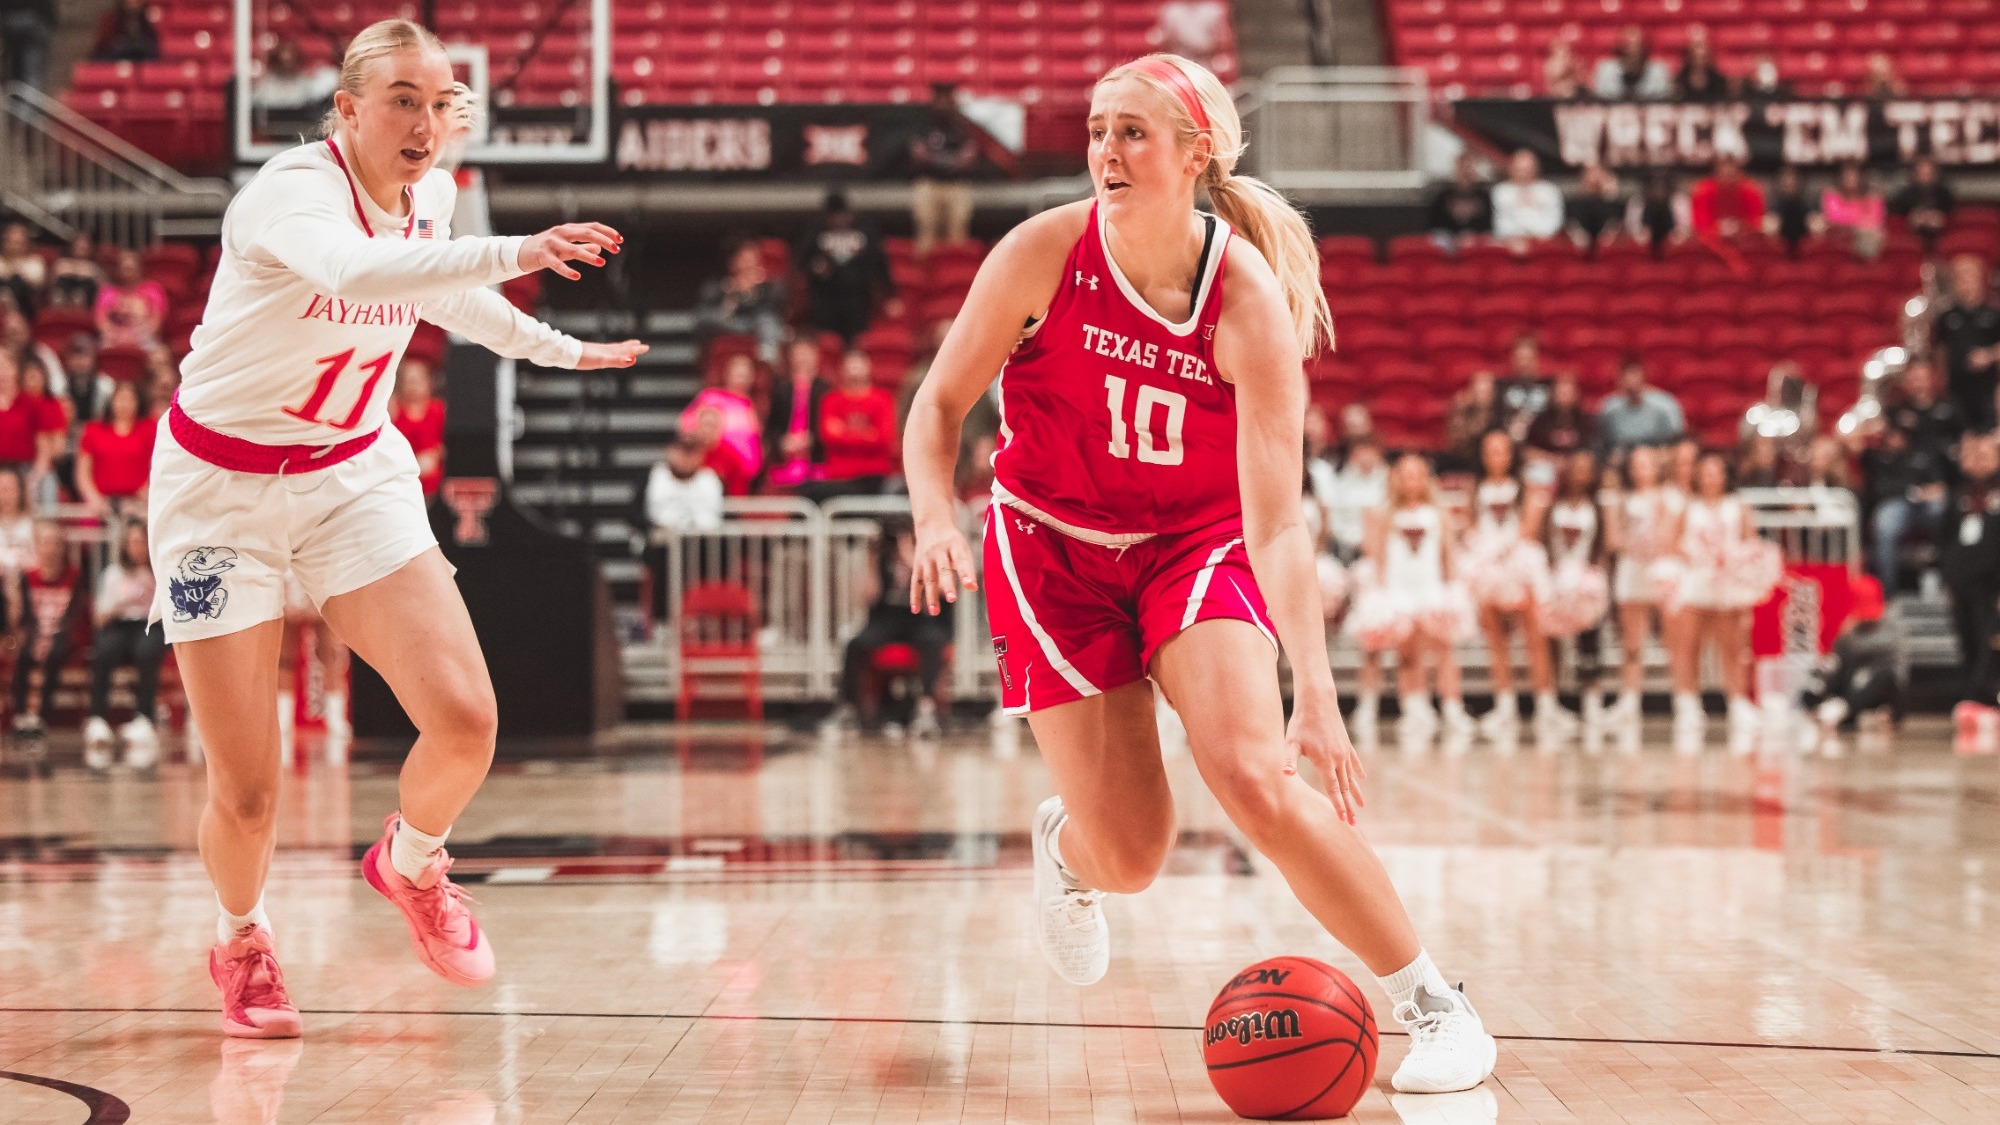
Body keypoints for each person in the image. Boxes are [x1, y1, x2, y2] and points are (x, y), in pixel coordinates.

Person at [899, 53, 1496, 1094]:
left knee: (1254, 776)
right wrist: (931, 519)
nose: (1105, 151)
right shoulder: (1042, 251)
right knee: (1131, 855)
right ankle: (1069, 847)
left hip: (1193, 542)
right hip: (1049, 550)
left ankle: (1435, 1006)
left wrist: (1315, 693)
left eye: (1131, 131)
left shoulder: (1247, 299)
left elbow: (1274, 528)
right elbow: (937, 407)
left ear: (1195, 153)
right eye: (1096, 129)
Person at [151, 17, 644, 1040]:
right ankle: (240, 937)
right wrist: (517, 249)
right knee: (247, 791)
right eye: (402, 100)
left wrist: (563, 352)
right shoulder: (291, 192)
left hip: (349, 476)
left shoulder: (440, 198)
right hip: (219, 491)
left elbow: (452, 294)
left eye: (439, 103)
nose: (425, 123)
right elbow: (356, 274)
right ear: (348, 108)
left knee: (467, 720)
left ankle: (411, 864)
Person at [1350, 454, 1476, 741]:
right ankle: (1413, 707)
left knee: (1444, 651)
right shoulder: (1385, 514)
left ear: (1425, 479)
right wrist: (1379, 592)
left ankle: (1452, 707)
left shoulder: (1438, 512)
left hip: (1430, 589)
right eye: (1405, 475)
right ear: (1396, 478)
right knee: (1406, 653)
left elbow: (1447, 555)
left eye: (1417, 474)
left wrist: (1452, 588)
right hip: (1398, 591)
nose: (1411, 481)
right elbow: (1378, 556)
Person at [1663, 451, 1781, 749]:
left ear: (1725, 476)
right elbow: (1673, 544)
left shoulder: (1737, 507)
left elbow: (1751, 543)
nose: (1710, 477)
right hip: (1696, 582)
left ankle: (1738, 703)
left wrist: (1736, 564)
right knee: (1689, 646)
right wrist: (1694, 557)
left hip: (1727, 584)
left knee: (1732, 647)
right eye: (1705, 472)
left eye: (1716, 472)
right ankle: (1688, 704)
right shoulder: (1687, 509)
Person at [1463, 430, 1568, 739]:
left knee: (1535, 636)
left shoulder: (1527, 488)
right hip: (1489, 568)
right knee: (1496, 638)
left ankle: (1546, 704)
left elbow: (1529, 527)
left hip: (1518, 565)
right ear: (1483, 455)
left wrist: (1503, 551)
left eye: (1502, 451)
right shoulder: (1475, 489)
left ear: (1511, 454)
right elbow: (1471, 526)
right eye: (1491, 451)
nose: (1497, 457)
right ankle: (1505, 705)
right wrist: (1485, 557)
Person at [825, 518, 951, 738]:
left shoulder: (925, 554)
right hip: (887, 617)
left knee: (933, 641)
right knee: (855, 645)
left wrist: (908, 553)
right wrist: (873, 559)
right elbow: (869, 596)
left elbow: (938, 592)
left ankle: (926, 707)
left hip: (918, 616)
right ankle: (847, 707)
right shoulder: (882, 558)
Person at [1862, 362, 1960, 592]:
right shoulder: (1881, 456)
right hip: (1898, 502)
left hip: (1926, 504)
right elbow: (1878, 487)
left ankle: (1943, 580)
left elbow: (1939, 480)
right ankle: (1889, 591)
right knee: (1885, 524)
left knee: (1947, 512)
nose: (1897, 437)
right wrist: (1910, 492)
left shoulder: (1922, 453)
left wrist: (1936, 489)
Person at [1605, 445, 1683, 728]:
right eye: (1636, 465)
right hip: (1632, 570)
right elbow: (1613, 539)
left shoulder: (1670, 496)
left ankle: (1683, 700)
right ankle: (1629, 701)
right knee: (1632, 642)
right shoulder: (1621, 498)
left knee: (1674, 640)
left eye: (1647, 465)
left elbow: (1673, 535)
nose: (1641, 471)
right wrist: (1634, 546)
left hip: (1661, 571)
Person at [85, 519, 167, 771]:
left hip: (150, 625)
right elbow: (99, 616)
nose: (138, 547)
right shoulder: (113, 574)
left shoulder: (160, 573)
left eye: (142, 541)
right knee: (104, 650)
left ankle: (144, 717)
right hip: (119, 624)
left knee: (147, 652)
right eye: (132, 541)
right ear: (124, 545)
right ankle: (97, 718)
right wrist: (122, 604)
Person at [1540, 449, 1612, 727]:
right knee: (1552, 640)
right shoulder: (1552, 506)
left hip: (1586, 582)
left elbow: (1603, 545)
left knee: (1589, 639)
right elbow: (1543, 541)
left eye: (1587, 468)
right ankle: (1552, 701)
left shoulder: (1596, 506)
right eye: (1576, 467)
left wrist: (1593, 579)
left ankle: (1591, 700)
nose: (1581, 474)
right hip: (1556, 579)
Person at [9, 519, 85, 759]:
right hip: (35, 633)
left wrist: (54, 636)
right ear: (38, 547)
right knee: (22, 657)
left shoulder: (75, 576)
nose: (50, 548)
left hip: (62, 635)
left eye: (55, 543)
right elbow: (24, 619)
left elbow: (75, 616)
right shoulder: (27, 576)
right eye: (45, 542)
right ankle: (22, 717)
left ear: (62, 547)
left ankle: (40, 719)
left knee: (54, 655)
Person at [1941, 433, 2000, 745]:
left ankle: (1977, 697)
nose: (1977, 461)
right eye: (1972, 455)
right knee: (1965, 641)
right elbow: (1945, 539)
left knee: (1985, 642)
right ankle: (1969, 699)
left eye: (1984, 454)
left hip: (1990, 586)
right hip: (1961, 583)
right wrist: (1946, 579)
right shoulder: (1958, 495)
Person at [1800, 575, 1901, 752]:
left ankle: (1841, 709)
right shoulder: (1847, 633)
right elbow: (1837, 660)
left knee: (1874, 676)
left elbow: (1881, 649)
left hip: (1881, 690)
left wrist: (1847, 636)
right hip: (1849, 686)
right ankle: (1821, 708)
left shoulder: (1892, 627)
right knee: (1828, 666)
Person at [799, 191, 897, 344]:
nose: (839, 221)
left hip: (858, 298)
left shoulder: (864, 232)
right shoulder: (815, 233)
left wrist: (891, 294)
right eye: (835, 216)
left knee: (857, 341)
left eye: (842, 215)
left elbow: (880, 263)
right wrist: (816, 267)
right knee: (828, 341)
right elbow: (802, 261)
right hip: (825, 299)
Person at [814, 349, 898, 498]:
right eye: (851, 367)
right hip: (838, 478)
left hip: (874, 478)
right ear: (842, 370)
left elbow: (883, 439)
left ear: (869, 368)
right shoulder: (830, 401)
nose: (855, 372)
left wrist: (844, 431)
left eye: (859, 367)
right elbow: (828, 437)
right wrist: (868, 434)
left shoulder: (883, 400)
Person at [910, 83, 980, 258]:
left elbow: (969, 156)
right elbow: (918, 153)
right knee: (926, 232)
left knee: (957, 234)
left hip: (957, 184)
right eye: (940, 97)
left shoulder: (963, 125)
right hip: (930, 183)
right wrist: (949, 160)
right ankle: (922, 282)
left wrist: (937, 159)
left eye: (947, 97)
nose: (943, 102)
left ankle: (954, 279)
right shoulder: (924, 124)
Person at [694, 240, 788, 365]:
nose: (749, 264)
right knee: (704, 317)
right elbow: (718, 314)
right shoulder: (718, 285)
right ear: (733, 262)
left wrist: (753, 293)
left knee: (767, 319)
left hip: (756, 325)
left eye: (752, 259)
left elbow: (774, 310)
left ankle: (768, 357)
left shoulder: (768, 286)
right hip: (730, 324)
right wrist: (732, 293)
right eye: (744, 259)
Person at [1934, 255, 2000, 431]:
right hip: (1956, 389)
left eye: (1970, 279)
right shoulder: (1946, 317)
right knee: (1960, 435)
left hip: (1986, 388)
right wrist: (1942, 378)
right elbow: (1940, 349)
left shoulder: (1993, 315)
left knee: (1986, 434)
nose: (1966, 285)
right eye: (1961, 280)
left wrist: (1989, 355)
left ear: (1980, 282)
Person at [680, 351, 765, 485]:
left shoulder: (751, 405)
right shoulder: (711, 396)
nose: (742, 378)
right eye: (738, 373)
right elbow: (686, 424)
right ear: (727, 373)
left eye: (746, 374)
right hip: (712, 468)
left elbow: (755, 441)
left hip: (743, 476)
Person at [77, 380, 154, 517]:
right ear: (111, 401)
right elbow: (83, 472)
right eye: (120, 398)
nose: (124, 404)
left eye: (130, 399)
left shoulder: (149, 428)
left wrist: (146, 493)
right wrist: (94, 498)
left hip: (139, 503)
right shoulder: (93, 430)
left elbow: (156, 465)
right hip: (101, 503)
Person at [763, 337, 831, 490]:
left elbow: (830, 425)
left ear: (816, 356)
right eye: (798, 353)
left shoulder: (825, 390)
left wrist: (811, 439)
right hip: (785, 462)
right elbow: (771, 428)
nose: (803, 358)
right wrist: (782, 442)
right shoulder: (781, 391)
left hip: (817, 462)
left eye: (807, 353)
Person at [1596, 358, 1684, 454]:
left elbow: (1677, 439)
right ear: (1619, 381)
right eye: (1627, 379)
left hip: (1656, 457)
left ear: (1644, 378)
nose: (1632, 383)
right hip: (1621, 458)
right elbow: (1602, 443)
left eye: (1635, 376)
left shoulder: (1665, 405)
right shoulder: (1609, 409)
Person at [645, 435, 723, 532]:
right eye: (682, 451)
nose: (686, 458)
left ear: (701, 454)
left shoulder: (709, 479)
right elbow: (637, 514)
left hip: (705, 542)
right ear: (670, 451)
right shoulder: (655, 476)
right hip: (663, 542)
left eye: (692, 452)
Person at [389, 358, 444, 496]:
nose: (413, 386)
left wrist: (436, 454)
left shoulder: (438, 410)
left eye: (417, 381)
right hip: (404, 479)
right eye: (409, 381)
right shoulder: (395, 410)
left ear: (428, 383)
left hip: (436, 484)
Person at [95, 248, 168, 350]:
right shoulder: (108, 291)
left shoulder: (152, 289)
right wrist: (117, 336)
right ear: (118, 269)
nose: (127, 272)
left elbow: (156, 320)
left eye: (130, 268)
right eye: (124, 268)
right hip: (113, 338)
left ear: (139, 268)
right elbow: (101, 320)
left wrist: (135, 337)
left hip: (144, 337)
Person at [1490, 150, 1564, 245]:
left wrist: (1532, 236)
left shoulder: (1550, 191)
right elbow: (1501, 225)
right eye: (1519, 169)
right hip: (1508, 244)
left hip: (1544, 244)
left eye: (1527, 170)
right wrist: (1520, 236)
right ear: (1511, 169)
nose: (1523, 174)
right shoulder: (1500, 192)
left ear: (1536, 169)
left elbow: (1555, 223)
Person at [1689, 156, 1765, 243]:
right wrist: (1717, 229)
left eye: (1732, 176)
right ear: (1715, 174)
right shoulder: (1703, 191)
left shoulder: (1751, 191)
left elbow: (1757, 222)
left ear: (1740, 173)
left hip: (1746, 242)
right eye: (1724, 175)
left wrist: (1739, 228)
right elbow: (1700, 225)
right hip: (1710, 243)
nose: (1728, 180)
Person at [1889, 156, 1955, 254]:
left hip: (1939, 233)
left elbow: (1950, 213)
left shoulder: (1944, 193)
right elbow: (1897, 217)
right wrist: (1913, 218)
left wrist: (1937, 217)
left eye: (1928, 173)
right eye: (1922, 173)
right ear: (1915, 174)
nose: (1925, 177)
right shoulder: (1904, 195)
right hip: (1910, 233)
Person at [254, 36, 338, 112]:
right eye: (282, 58)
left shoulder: (308, 82)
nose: (286, 59)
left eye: (290, 57)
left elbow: (332, 78)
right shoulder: (264, 85)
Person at [1424, 154, 1492, 247]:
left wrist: (1471, 237)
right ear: (1456, 169)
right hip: (1448, 239)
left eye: (1469, 167)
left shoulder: (1483, 195)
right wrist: (1454, 238)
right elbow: (1434, 224)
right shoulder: (1443, 195)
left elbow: (1487, 224)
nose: (1465, 171)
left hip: (1475, 238)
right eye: (1462, 167)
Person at [1821, 163, 1885, 259]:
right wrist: (1859, 223)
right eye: (1847, 177)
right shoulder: (1831, 197)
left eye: (1853, 177)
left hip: (1866, 242)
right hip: (1837, 242)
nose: (1850, 180)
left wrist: (1850, 224)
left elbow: (1876, 221)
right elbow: (1832, 218)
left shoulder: (1873, 199)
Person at [1592, 25, 1670, 100]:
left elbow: (1664, 99)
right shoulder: (1606, 69)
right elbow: (1600, 98)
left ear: (1644, 47)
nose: (1632, 51)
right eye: (1628, 45)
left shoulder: (1658, 70)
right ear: (1620, 47)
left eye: (1637, 45)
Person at [1526, 372, 1593, 459]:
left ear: (1576, 395)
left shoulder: (1585, 423)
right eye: (1561, 393)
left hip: (1574, 464)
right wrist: (1550, 458)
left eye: (1568, 393)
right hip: (1547, 463)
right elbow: (1528, 450)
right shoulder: (1541, 421)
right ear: (1553, 394)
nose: (1564, 398)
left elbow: (1590, 452)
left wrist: (1569, 462)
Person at [1444, 370, 1498, 472]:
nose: (1483, 396)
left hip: (1489, 462)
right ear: (1471, 391)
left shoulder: (1498, 412)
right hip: (1463, 459)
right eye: (1480, 391)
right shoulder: (1462, 409)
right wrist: (1460, 409)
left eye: (1487, 391)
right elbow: (1456, 439)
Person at [0, 0, 58, 91]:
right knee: (32, 75)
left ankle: (15, 102)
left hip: (7, 16)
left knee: (12, 74)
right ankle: (27, 103)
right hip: (36, 15)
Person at [1567, 164, 1625, 249]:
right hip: (1582, 245)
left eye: (1598, 178)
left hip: (1606, 246)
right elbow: (1572, 226)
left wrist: (1610, 193)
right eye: (1589, 178)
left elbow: (1616, 224)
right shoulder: (1574, 205)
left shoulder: (1612, 205)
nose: (1594, 182)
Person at [1766, 165, 1820, 253]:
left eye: (1792, 180)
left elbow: (1817, 232)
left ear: (1799, 183)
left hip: (1804, 254)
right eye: (1785, 181)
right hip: (1781, 254)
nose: (1789, 183)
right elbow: (1769, 233)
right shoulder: (1774, 206)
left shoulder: (1807, 206)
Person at [1627, 170, 1684, 250]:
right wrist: (1640, 235)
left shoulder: (1678, 201)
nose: (1657, 190)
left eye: (1661, 186)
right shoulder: (1638, 201)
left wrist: (1676, 235)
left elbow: (1681, 231)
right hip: (1643, 242)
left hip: (1671, 241)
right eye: (1653, 186)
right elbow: (1632, 228)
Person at [46, 233, 103, 311]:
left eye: (84, 247)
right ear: (72, 246)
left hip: (84, 302)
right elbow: (49, 284)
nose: (81, 248)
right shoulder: (61, 263)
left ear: (90, 249)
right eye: (79, 246)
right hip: (61, 300)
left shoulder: (94, 268)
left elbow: (103, 289)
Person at [90, 0, 159, 62]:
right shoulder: (111, 20)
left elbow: (154, 46)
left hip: (143, 58)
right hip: (115, 59)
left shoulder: (149, 21)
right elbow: (102, 46)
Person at [0, 223, 46, 312]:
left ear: (26, 243)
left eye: (17, 243)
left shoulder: (35, 262)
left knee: (17, 280)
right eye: (10, 242)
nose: (13, 247)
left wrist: (13, 267)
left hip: (23, 308)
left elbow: (36, 282)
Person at [1673, 33, 1729, 101]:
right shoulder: (1680, 79)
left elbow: (1721, 101)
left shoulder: (1718, 80)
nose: (1699, 61)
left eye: (1703, 57)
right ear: (1689, 58)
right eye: (1695, 57)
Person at [0, 467, 32, 573]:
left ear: (20, 491)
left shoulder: (32, 525)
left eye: (11, 489)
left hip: (26, 580)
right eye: (3, 489)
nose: (6, 495)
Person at [1542, 33, 1582, 99]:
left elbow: (1581, 79)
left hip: (1572, 96)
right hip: (1556, 96)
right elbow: (1556, 76)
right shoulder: (1550, 63)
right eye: (1559, 46)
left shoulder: (1572, 60)